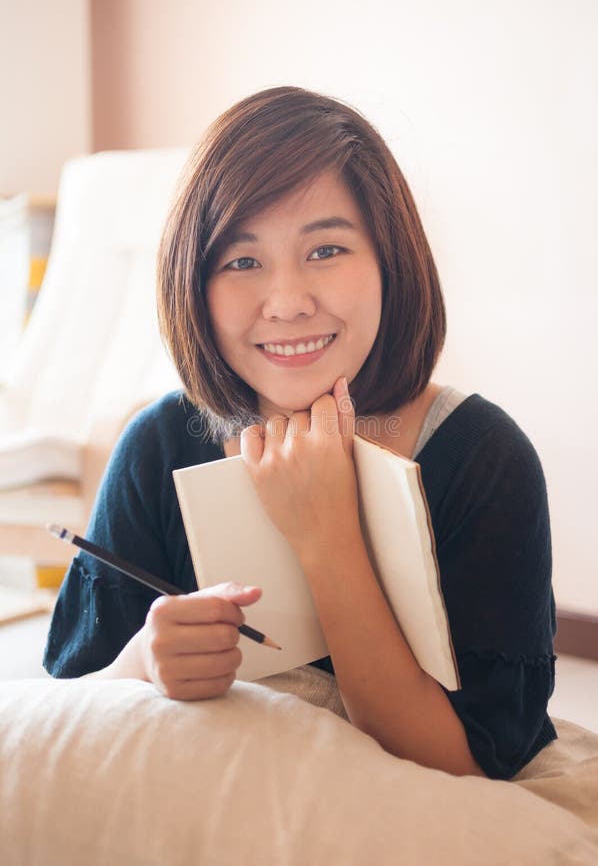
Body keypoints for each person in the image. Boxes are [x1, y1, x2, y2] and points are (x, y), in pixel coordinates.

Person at [43, 86, 557, 780]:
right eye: (242, 261)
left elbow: (466, 766)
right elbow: (62, 719)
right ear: (193, 283)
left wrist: (327, 537)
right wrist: (141, 661)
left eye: (327, 249)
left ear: (390, 263)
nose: (287, 303)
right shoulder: (158, 446)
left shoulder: (483, 457)